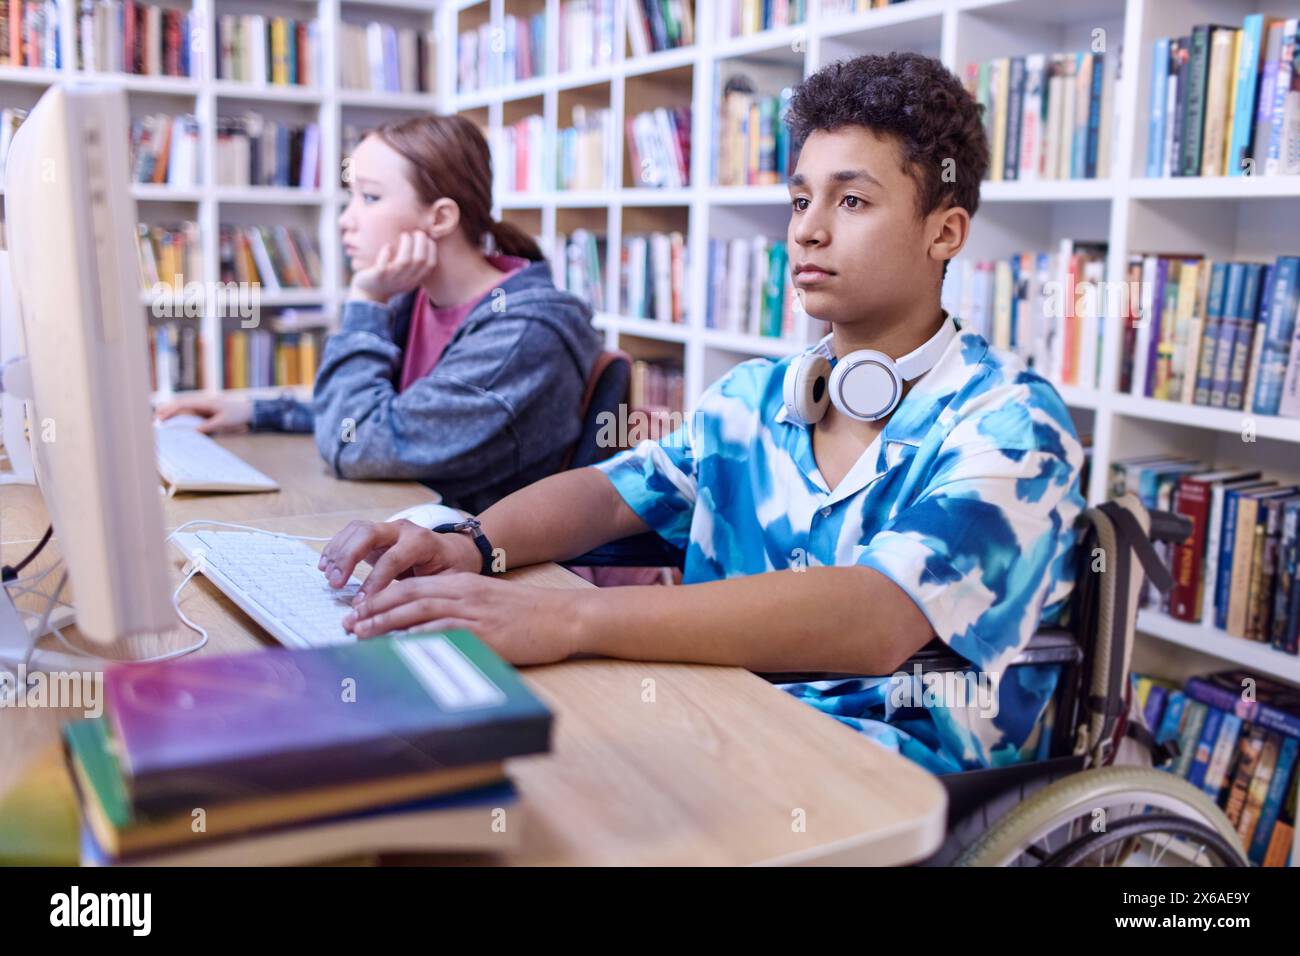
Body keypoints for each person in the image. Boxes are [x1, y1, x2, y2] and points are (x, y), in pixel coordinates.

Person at [316, 53, 1087, 775]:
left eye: (850, 200)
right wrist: (469, 546)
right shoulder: (756, 396)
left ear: (944, 231)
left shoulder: (1013, 424)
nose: (806, 228)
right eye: (800, 198)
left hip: (885, 779)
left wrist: (564, 622)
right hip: (717, 722)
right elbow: (612, 489)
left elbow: (877, 617)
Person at [157, 114, 603, 513]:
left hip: (494, 573)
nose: (344, 221)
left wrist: (366, 302)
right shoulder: (419, 299)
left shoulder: (523, 336)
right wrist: (255, 409)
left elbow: (357, 445)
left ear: (441, 218)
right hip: (417, 533)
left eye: (369, 198)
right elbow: (393, 412)